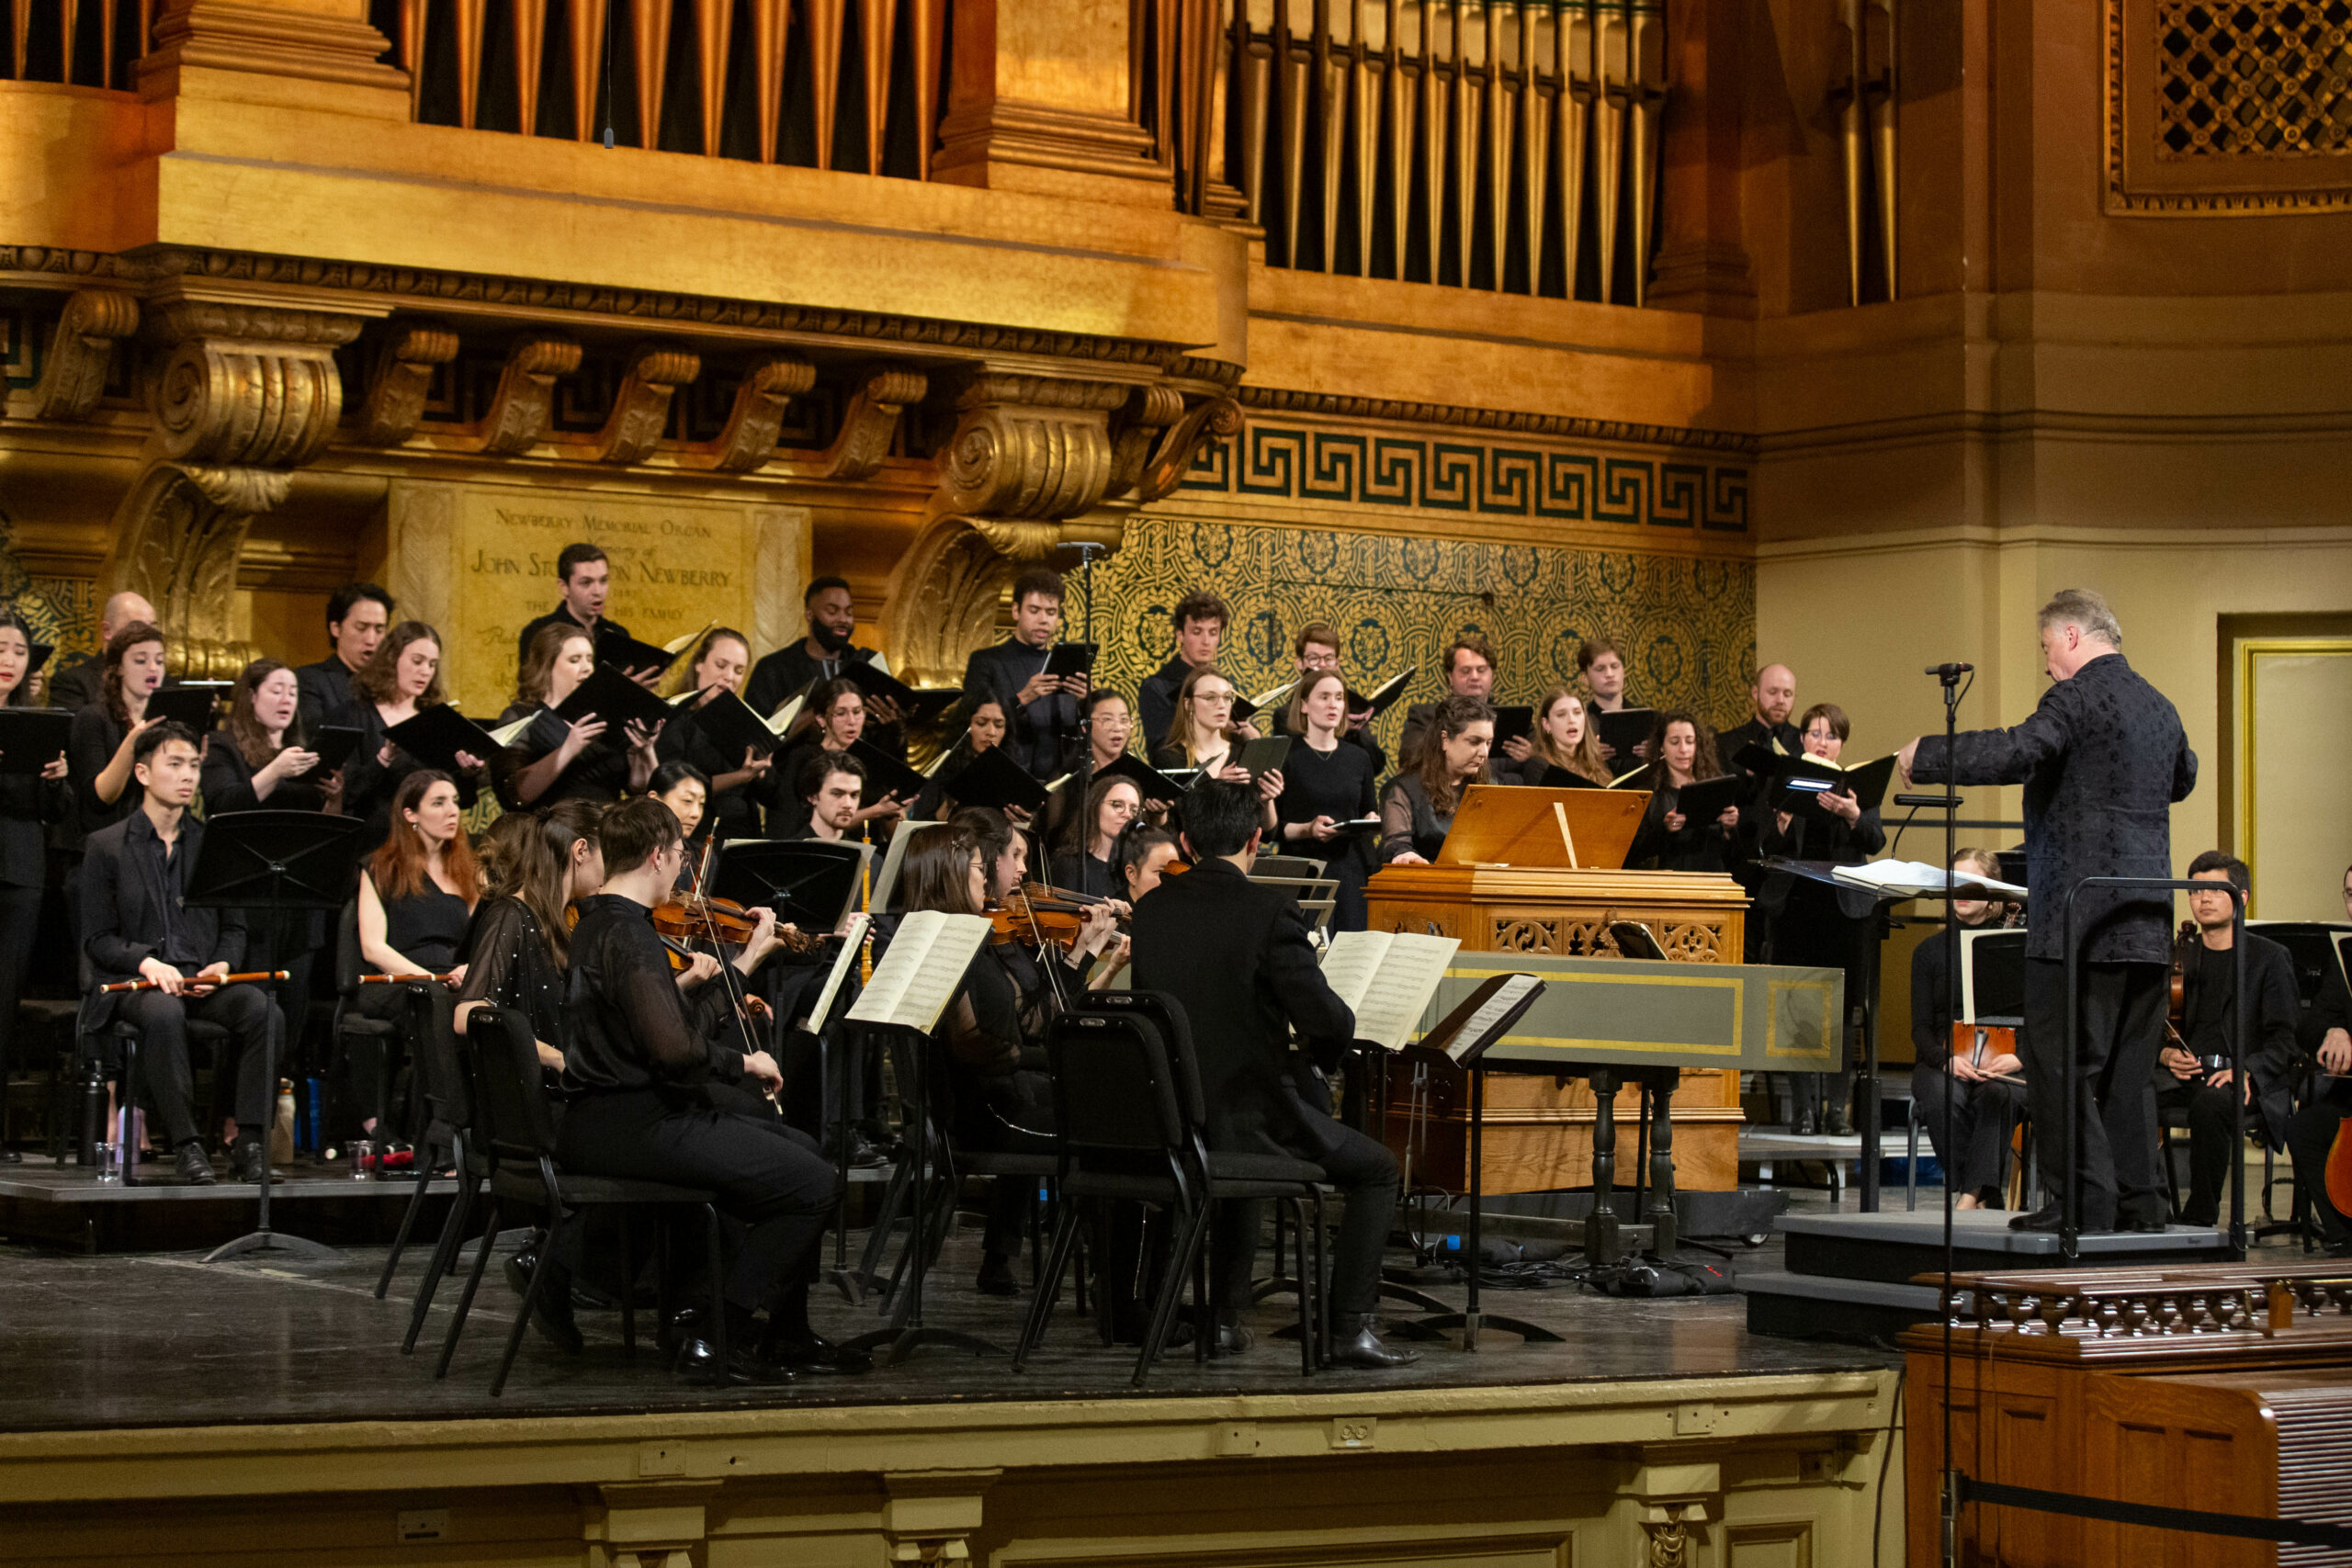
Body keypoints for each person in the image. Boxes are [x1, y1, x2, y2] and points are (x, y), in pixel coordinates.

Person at [1897, 587, 2198, 1235]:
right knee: (2127, 1076)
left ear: (2069, 635)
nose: (2045, 664)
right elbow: (2184, 777)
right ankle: (2137, 1206)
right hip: (2147, 922)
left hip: (2078, 921)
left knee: (2058, 1065)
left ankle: (2082, 1203)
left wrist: (1928, 755)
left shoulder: (2076, 696)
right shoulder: (2161, 705)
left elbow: (2017, 750)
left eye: (2044, 648)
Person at [557, 797, 862, 1382]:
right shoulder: (629, 936)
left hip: (613, 1117)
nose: (680, 869)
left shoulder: (603, 924)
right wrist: (742, 1064)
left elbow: (670, 1030)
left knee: (798, 1149)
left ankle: (788, 1335)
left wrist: (742, 967)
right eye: (677, 856)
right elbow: (674, 1053)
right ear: (656, 857)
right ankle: (721, 1335)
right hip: (633, 1123)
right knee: (814, 1183)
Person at [1129, 779, 1417, 1367]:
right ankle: (1347, 1329)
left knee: (1247, 1136)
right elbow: (1327, 1019)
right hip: (1247, 1117)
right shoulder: (1270, 911)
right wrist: (1321, 1060)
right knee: (1379, 1170)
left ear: (1185, 840)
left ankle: (1227, 1321)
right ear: (1257, 840)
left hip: (1174, 1119)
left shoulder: (1152, 910)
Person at [78, 723, 277, 1187]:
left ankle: (249, 1142)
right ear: (143, 773)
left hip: (200, 979)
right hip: (137, 982)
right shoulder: (106, 846)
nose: (188, 775)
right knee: (164, 1012)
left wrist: (223, 965)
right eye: (175, 765)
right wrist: (147, 960)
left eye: (193, 765)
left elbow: (234, 926)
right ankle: (188, 1145)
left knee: (264, 1011)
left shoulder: (212, 842)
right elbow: (98, 939)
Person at [1758, 702, 1886, 1134]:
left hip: (1843, 909)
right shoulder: (1786, 780)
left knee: (1843, 1011)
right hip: (1796, 906)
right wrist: (1781, 821)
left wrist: (1851, 815)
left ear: (1841, 743)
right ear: (1803, 739)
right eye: (1814, 733)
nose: (1822, 741)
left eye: (1831, 735)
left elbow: (1875, 837)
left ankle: (1836, 1108)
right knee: (1796, 1008)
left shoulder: (1855, 787)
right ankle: (1803, 1110)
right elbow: (1760, 845)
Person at [2152, 852, 2299, 1228]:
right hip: (2183, 1073)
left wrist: (2246, 1071)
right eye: (2196, 889)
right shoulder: (2177, 955)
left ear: (2242, 897)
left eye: (2215, 889)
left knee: (2212, 1102)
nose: (2203, 898)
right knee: (2127, 1093)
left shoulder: (2269, 958)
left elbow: (2284, 1038)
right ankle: (2152, 1207)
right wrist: (2167, 1055)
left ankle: (2200, 1215)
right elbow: (2152, 1025)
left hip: (2237, 1077)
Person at [203, 658, 342, 1037]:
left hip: (298, 899)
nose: (286, 699)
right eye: (276, 690)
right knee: (255, 1012)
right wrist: (276, 771)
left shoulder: (304, 753)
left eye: (293, 692)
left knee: (294, 1008)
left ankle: (284, 1086)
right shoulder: (223, 747)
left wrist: (334, 798)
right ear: (250, 696)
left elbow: (324, 832)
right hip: (250, 899)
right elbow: (222, 808)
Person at [351, 770, 477, 1162]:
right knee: (434, 1003)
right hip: (396, 979)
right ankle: (442, 1138)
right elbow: (373, 946)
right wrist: (427, 977)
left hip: (451, 979)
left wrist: (470, 969)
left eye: (455, 801)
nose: (452, 811)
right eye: (439, 803)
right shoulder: (379, 867)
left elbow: (478, 939)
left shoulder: (466, 872)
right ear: (410, 814)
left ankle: (476, 1135)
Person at [1908, 849, 2029, 1209]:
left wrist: (2018, 1057)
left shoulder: (2018, 944)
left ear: (1992, 891)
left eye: (1971, 884)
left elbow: (2042, 1018)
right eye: (1955, 882)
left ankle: (1967, 1197)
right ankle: (1977, 1193)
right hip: (1944, 1059)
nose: (1960, 891)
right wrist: (1945, 1060)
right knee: (1942, 1094)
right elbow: (1920, 1027)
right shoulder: (1929, 952)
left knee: (1998, 1095)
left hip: (2006, 1061)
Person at [0, 609, 70, 1161]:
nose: (9, 660)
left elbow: (53, 813)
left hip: (20, 868)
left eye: (19, 652)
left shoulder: (34, 721)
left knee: (4, 1001)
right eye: (1, 648)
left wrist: (57, 781)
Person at [337, 621, 484, 850]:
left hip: (426, 847)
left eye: (432, 664)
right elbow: (346, 793)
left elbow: (463, 801)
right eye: (417, 661)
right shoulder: (355, 714)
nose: (425, 671)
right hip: (373, 844)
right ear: (392, 658)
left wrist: (465, 774)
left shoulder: (435, 720)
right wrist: (383, 758)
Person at [495, 625, 662, 809]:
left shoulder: (603, 716)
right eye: (575, 660)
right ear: (547, 665)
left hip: (604, 829)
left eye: (590, 660)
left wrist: (645, 751)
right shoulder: (522, 716)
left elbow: (638, 790)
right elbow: (514, 795)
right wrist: (569, 747)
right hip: (552, 829)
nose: (587, 668)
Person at [958, 568, 1089, 784]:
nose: (1043, 619)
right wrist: (1021, 699)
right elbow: (968, 722)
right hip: (1001, 777)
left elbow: (1075, 737)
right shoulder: (986, 661)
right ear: (1016, 611)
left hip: (1057, 784)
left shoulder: (1063, 667)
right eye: (1034, 610)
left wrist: (1085, 704)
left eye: (1051, 612)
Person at [1272, 669, 1376, 930]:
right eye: (1324, 697)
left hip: (1352, 870)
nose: (1334, 704)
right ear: (1304, 705)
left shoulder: (1358, 757)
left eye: (1339, 697)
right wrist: (1309, 829)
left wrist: (1370, 821)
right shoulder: (1287, 754)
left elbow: (1368, 811)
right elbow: (1272, 829)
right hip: (1304, 870)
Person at [743, 578, 903, 746]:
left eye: (849, 613)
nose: (843, 619)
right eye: (832, 612)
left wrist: (892, 722)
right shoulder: (774, 668)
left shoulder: (866, 662)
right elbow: (758, 740)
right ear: (810, 615)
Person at [2285, 863, 2352, 1250]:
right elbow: (2311, 1021)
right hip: (2349, 1100)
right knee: (2303, 1128)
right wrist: (2334, 1031)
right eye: (2350, 894)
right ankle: (2345, 1237)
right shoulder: (2343, 959)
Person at [656, 627, 771, 843]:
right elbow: (673, 785)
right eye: (721, 665)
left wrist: (762, 773)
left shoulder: (744, 722)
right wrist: (741, 776)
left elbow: (770, 796)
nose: (729, 677)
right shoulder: (677, 716)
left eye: (738, 670)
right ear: (699, 663)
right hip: (695, 834)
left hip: (743, 834)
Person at [1718, 663, 1802, 959]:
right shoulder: (1727, 743)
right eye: (1773, 692)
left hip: (1788, 864)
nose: (1780, 700)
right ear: (1755, 693)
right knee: (1743, 948)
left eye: (1788, 693)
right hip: (1741, 861)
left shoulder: (1804, 743)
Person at [66, 620, 169, 843]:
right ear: (119, 667)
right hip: (104, 847)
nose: (153, 668)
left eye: (159, 661)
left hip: (152, 842)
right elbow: (99, 798)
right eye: (141, 660)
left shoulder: (166, 722)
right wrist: (133, 743)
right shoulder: (93, 717)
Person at [1151, 663, 1283, 831]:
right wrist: (1215, 789)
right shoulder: (1169, 758)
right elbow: (1174, 827)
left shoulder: (1242, 755)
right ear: (1188, 704)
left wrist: (1266, 800)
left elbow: (1267, 832)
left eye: (1227, 697)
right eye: (1210, 697)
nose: (1221, 704)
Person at [773, 680, 905, 837]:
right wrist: (876, 811)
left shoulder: (866, 758)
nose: (851, 721)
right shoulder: (805, 757)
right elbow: (807, 822)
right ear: (821, 719)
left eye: (857, 712)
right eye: (841, 713)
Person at [1378, 694, 1492, 866]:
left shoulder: (1491, 786)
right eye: (1474, 742)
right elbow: (1397, 844)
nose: (1484, 752)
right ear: (1445, 740)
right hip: (1424, 884)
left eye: (1488, 743)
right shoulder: (1404, 790)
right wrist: (1406, 855)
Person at [514, 543, 650, 678]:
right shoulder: (538, 632)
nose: (598, 592)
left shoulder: (619, 635)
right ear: (564, 587)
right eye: (586, 583)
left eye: (603, 581)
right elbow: (533, 693)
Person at [1628, 711, 1741, 873]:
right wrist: (1664, 829)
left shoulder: (1716, 787)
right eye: (1675, 742)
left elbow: (1733, 855)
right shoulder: (1648, 794)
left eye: (1690, 741)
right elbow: (1634, 852)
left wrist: (1730, 828)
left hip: (1712, 882)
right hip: (1668, 885)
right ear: (1661, 746)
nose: (1684, 749)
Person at [1274, 622, 1385, 774]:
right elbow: (1297, 763)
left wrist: (1356, 733)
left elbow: (1376, 765)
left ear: (1337, 664)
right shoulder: (1285, 714)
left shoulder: (1351, 707)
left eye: (1328, 658)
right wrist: (1341, 728)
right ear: (1300, 663)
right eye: (1314, 658)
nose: (1322, 665)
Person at [1136, 590, 1228, 749]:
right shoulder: (1157, 687)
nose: (1206, 641)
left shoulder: (1222, 684)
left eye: (1213, 633)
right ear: (1180, 635)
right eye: (1197, 632)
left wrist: (1245, 727)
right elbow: (1162, 750)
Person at [295, 582, 394, 729]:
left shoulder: (393, 685)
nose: (371, 640)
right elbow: (312, 737)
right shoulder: (309, 679)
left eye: (379, 629)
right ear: (336, 628)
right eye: (362, 628)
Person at [1398, 635, 1505, 771]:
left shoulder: (1512, 719)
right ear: (1450, 677)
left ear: (1492, 675)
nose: (1474, 677)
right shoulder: (1425, 716)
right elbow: (1410, 761)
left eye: (1481, 670)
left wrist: (1528, 754)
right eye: (1466, 671)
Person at [44, 590, 153, 714]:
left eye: (152, 628)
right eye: (137, 628)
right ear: (107, 631)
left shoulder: (163, 682)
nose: (148, 637)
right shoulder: (73, 683)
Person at [911, 696, 1007, 822]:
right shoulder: (944, 769)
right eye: (981, 723)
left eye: (999, 725)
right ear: (965, 726)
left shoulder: (1007, 773)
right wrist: (949, 804)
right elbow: (922, 826)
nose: (991, 732)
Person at [1050, 773, 1144, 900]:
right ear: (1095, 807)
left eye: (1133, 810)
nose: (1127, 814)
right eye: (1117, 805)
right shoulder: (1070, 865)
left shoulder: (1135, 869)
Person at [1504, 687, 1611, 786]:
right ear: (1546, 724)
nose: (1571, 720)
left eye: (1577, 713)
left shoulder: (1598, 761)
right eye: (1561, 714)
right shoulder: (1538, 766)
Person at [794, 752, 869, 842]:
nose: (848, 804)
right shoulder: (784, 853)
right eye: (837, 794)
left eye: (854, 795)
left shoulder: (867, 856)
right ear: (812, 796)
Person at [1118, 822, 1182, 904]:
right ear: (1132, 874)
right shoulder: (1112, 914)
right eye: (1160, 872)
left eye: (1175, 873)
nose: (1171, 882)